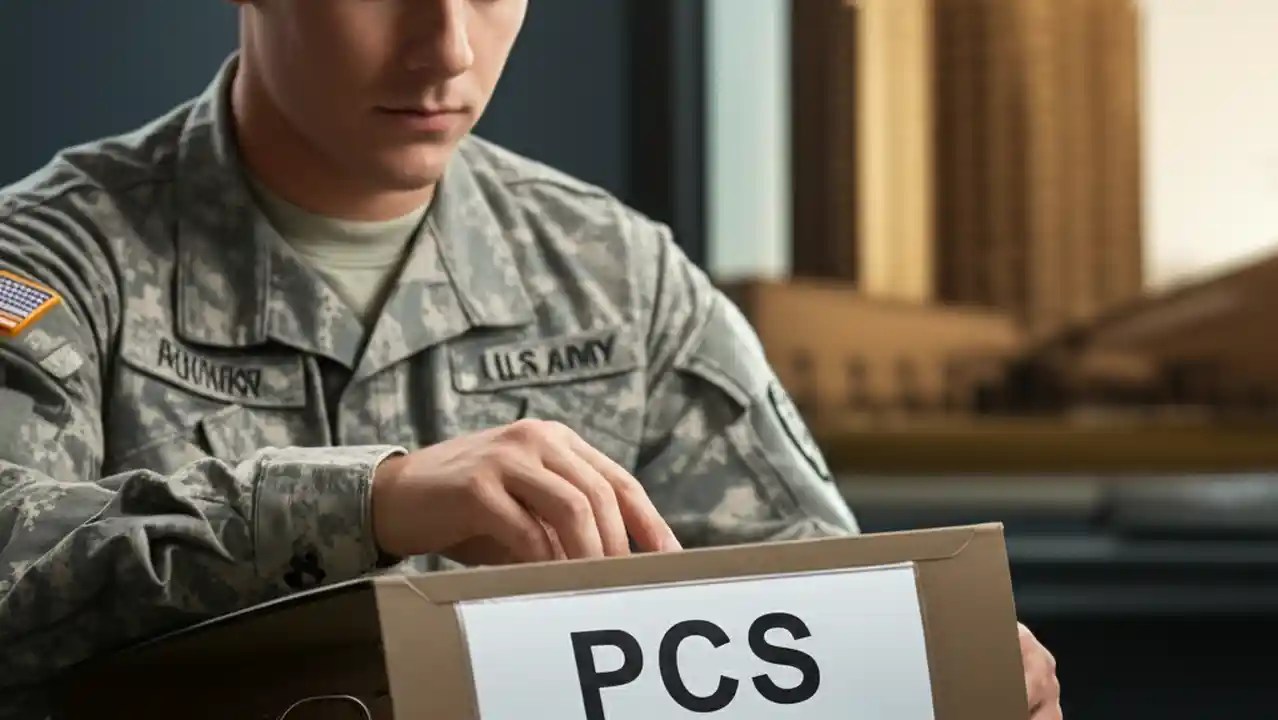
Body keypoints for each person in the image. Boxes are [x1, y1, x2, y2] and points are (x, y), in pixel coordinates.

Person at [0, 1, 1060, 718]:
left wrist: (923, 657)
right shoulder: (48, 263)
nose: (447, 49)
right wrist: (371, 501)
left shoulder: (615, 274)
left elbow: (800, 600)